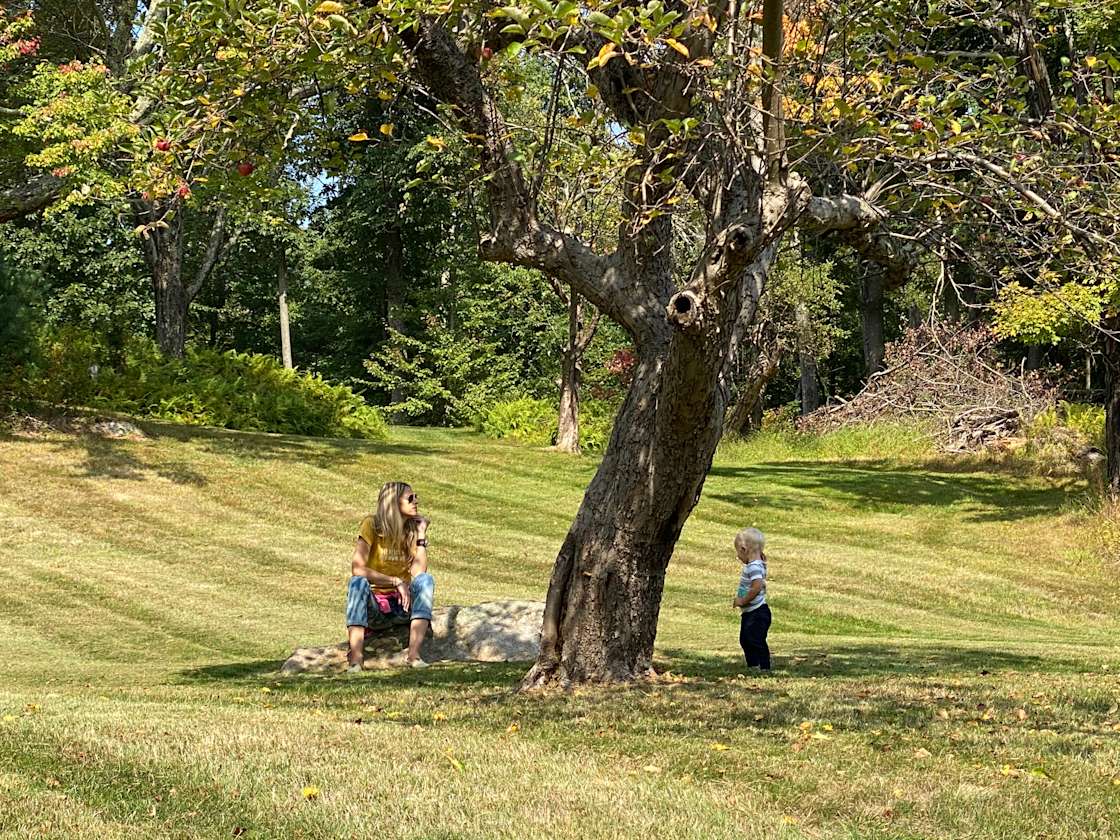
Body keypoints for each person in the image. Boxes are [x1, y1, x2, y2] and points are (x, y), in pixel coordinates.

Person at [345, 481, 435, 671]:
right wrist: (395, 581)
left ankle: (413, 655)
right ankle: (356, 659)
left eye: (416, 497)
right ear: (394, 503)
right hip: (377, 608)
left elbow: (419, 573)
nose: (415, 501)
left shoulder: (410, 530)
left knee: (426, 580)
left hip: (403, 605)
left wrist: (420, 536)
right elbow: (357, 568)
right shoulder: (372, 525)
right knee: (357, 583)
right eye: (410, 498)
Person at [732, 527, 771, 671]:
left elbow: (756, 586)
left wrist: (742, 600)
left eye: (738, 552)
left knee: (754, 640)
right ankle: (753, 665)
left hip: (757, 612)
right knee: (745, 640)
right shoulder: (756, 564)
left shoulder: (754, 567)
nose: (738, 556)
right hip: (750, 612)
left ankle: (763, 666)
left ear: (743, 549)